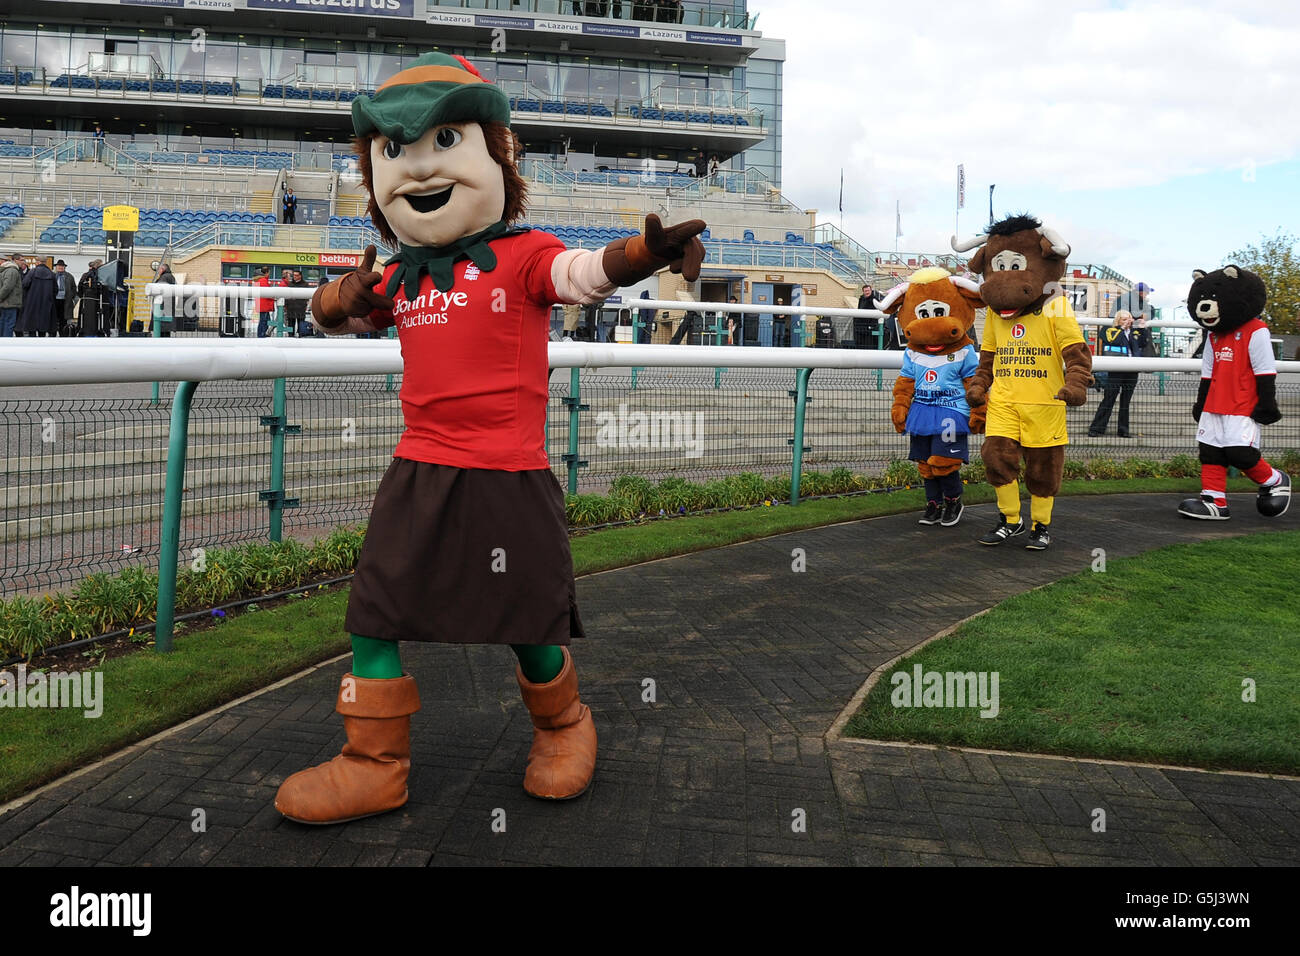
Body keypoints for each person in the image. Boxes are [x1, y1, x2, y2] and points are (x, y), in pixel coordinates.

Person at [1088, 310, 1138, 437]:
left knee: (1125, 402)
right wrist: (1121, 329)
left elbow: (1142, 344)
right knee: (1109, 398)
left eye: (1129, 319)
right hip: (1116, 369)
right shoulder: (1110, 330)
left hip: (1132, 369)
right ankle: (1096, 429)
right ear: (1118, 320)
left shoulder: (1134, 332)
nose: (1127, 322)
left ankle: (1123, 430)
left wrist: (1141, 329)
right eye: (1123, 319)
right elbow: (1113, 341)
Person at [18, 256, 56, 337]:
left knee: (32, 326)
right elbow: (55, 290)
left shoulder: (32, 272)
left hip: (32, 302)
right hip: (46, 303)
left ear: (38, 262)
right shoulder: (51, 274)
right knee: (43, 326)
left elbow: (24, 284)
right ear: (45, 262)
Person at [75, 260, 103, 337]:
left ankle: (83, 331)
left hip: (85, 300)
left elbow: (80, 286)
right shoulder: (99, 275)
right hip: (97, 301)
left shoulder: (85, 275)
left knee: (83, 317)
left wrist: (81, 296)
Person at [53, 260, 78, 336]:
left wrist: (71, 296)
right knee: (53, 318)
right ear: (56, 267)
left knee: (63, 319)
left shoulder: (69, 276)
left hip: (65, 301)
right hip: (54, 300)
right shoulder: (52, 275)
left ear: (64, 267)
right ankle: (53, 334)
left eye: (62, 266)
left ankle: (62, 334)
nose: (60, 267)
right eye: (59, 266)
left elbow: (74, 288)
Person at [0, 253, 22, 337]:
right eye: (22, 260)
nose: (23, 262)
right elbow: (7, 287)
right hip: (10, 303)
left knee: (3, 324)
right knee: (8, 325)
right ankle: (6, 346)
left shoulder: (5, 270)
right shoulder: (12, 270)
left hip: (5, 303)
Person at [153, 261, 176, 337]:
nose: (158, 271)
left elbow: (157, 289)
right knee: (166, 332)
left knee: (161, 330)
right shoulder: (171, 277)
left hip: (162, 307)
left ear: (162, 269)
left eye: (159, 269)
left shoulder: (164, 277)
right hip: (168, 307)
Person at [283, 269, 309, 336]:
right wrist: (286, 306)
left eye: (296, 275)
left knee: (301, 328)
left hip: (301, 308)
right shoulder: (290, 284)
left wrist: (305, 305)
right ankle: (290, 338)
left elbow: (307, 297)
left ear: (300, 276)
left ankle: (301, 337)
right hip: (291, 308)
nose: (295, 277)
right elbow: (287, 296)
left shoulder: (305, 284)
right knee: (291, 328)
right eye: (294, 275)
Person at [857, 282, 882, 348]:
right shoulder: (861, 299)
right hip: (862, 325)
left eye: (868, 290)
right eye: (865, 291)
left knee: (871, 342)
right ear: (863, 292)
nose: (867, 292)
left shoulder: (874, 299)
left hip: (872, 324)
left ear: (871, 291)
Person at [254, 266, 274, 337]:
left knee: (265, 321)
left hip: (262, 304)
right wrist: (274, 297)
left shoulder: (260, 280)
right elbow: (267, 293)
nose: (269, 274)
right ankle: (261, 335)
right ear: (266, 272)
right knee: (264, 321)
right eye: (269, 272)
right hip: (264, 305)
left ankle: (262, 334)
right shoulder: (263, 281)